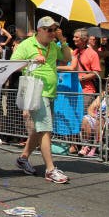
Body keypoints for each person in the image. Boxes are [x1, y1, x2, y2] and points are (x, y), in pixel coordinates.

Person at [12, 16, 72, 183]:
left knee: (39, 130)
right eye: (49, 30)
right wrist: (31, 61)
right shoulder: (27, 45)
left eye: (54, 29)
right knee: (46, 129)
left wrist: (62, 40)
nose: (52, 33)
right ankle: (50, 170)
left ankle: (23, 158)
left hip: (50, 92)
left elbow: (68, 58)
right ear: (39, 30)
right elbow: (13, 64)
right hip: (36, 92)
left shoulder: (54, 45)